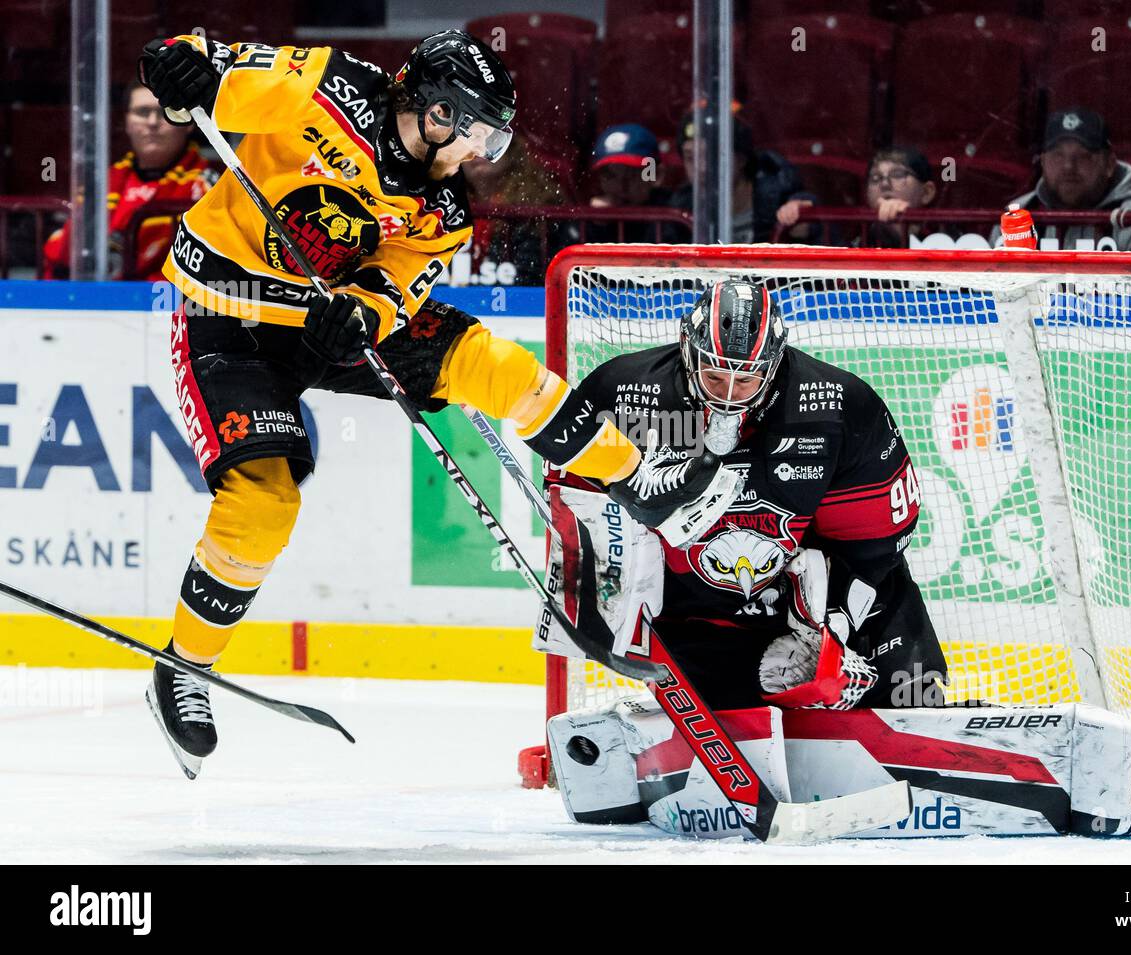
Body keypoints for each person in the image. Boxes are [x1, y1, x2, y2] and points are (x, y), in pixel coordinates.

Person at [137, 30, 734, 778]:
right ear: (436, 110)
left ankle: (639, 476)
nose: (481, 151)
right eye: (476, 130)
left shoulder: (442, 206)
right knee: (263, 505)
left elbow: (394, 286)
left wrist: (363, 309)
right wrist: (180, 61)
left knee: (485, 361)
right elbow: (216, 65)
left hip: (323, 319)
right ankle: (185, 666)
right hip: (223, 316)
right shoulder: (325, 87)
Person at [546, 279, 948, 712]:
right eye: (715, 376)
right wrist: (631, 515)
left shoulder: (838, 407)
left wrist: (833, 627)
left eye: (746, 380)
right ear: (688, 348)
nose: (729, 394)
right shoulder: (623, 393)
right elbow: (577, 518)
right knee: (730, 741)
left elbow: (874, 545)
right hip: (695, 621)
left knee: (914, 705)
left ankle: (913, 712)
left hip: (817, 600)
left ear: (773, 366)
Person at [42, 82, 217, 280]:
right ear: (127, 122)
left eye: (165, 112)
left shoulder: (209, 188)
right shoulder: (101, 182)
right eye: (142, 112)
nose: (152, 122)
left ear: (189, 122)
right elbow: (61, 258)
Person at [996, 108, 1131, 251]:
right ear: (1043, 162)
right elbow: (995, 293)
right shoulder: (1016, 216)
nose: (1068, 166)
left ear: (1109, 164)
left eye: (1084, 156)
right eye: (1058, 155)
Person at [670, 113, 816, 243]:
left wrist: (802, 219)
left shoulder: (778, 196)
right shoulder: (680, 206)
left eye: (712, 156)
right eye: (690, 158)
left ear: (741, 159)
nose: (701, 168)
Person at [462, 136, 571, 284]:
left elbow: (530, 273)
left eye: (491, 141)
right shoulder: (446, 204)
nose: (479, 150)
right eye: (469, 143)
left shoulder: (535, 204)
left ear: (509, 151)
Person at [581, 123, 675, 243]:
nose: (621, 186)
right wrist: (596, 226)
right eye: (610, 175)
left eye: (633, 174)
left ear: (656, 175)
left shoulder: (673, 215)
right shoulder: (586, 221)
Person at [859, 146, 937, 249]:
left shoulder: (942, 232)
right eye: (875, 177)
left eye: (898, 175)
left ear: (927, 192)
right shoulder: (857, 235)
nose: (885, 184)